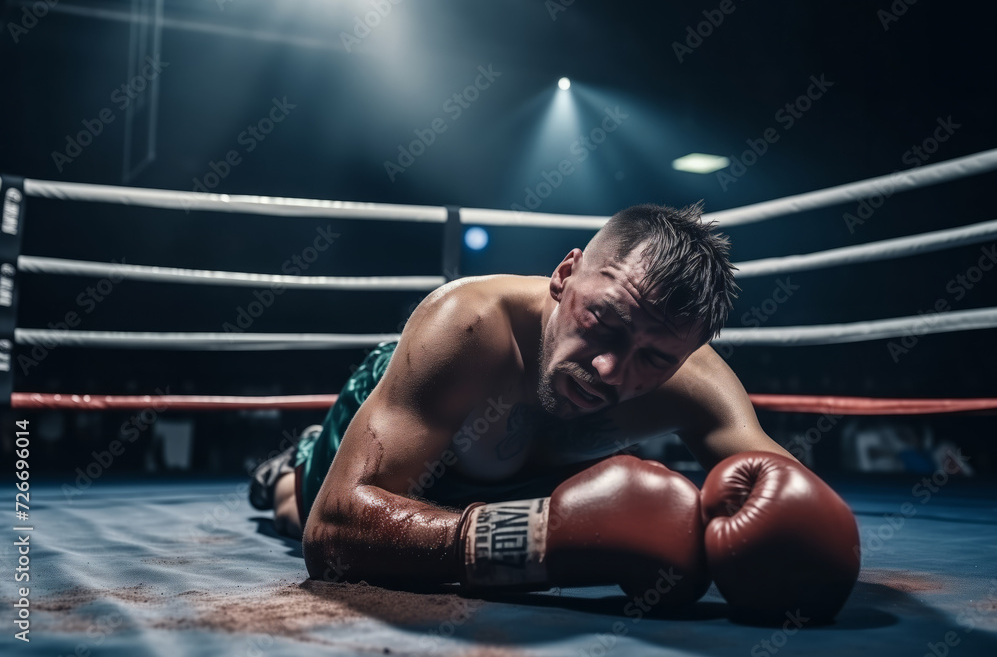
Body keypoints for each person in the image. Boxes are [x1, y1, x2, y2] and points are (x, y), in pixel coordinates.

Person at [250, 202, 796, 587]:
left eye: (654, 359)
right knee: (296, 508)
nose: (610, 370)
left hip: (512, 480)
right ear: (564, 274)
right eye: (603, 321)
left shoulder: (693, 383)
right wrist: (540, 539)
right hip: (421, 412)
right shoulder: (467, 325)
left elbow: (794, 503)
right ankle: (288, 465)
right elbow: (333, 531)